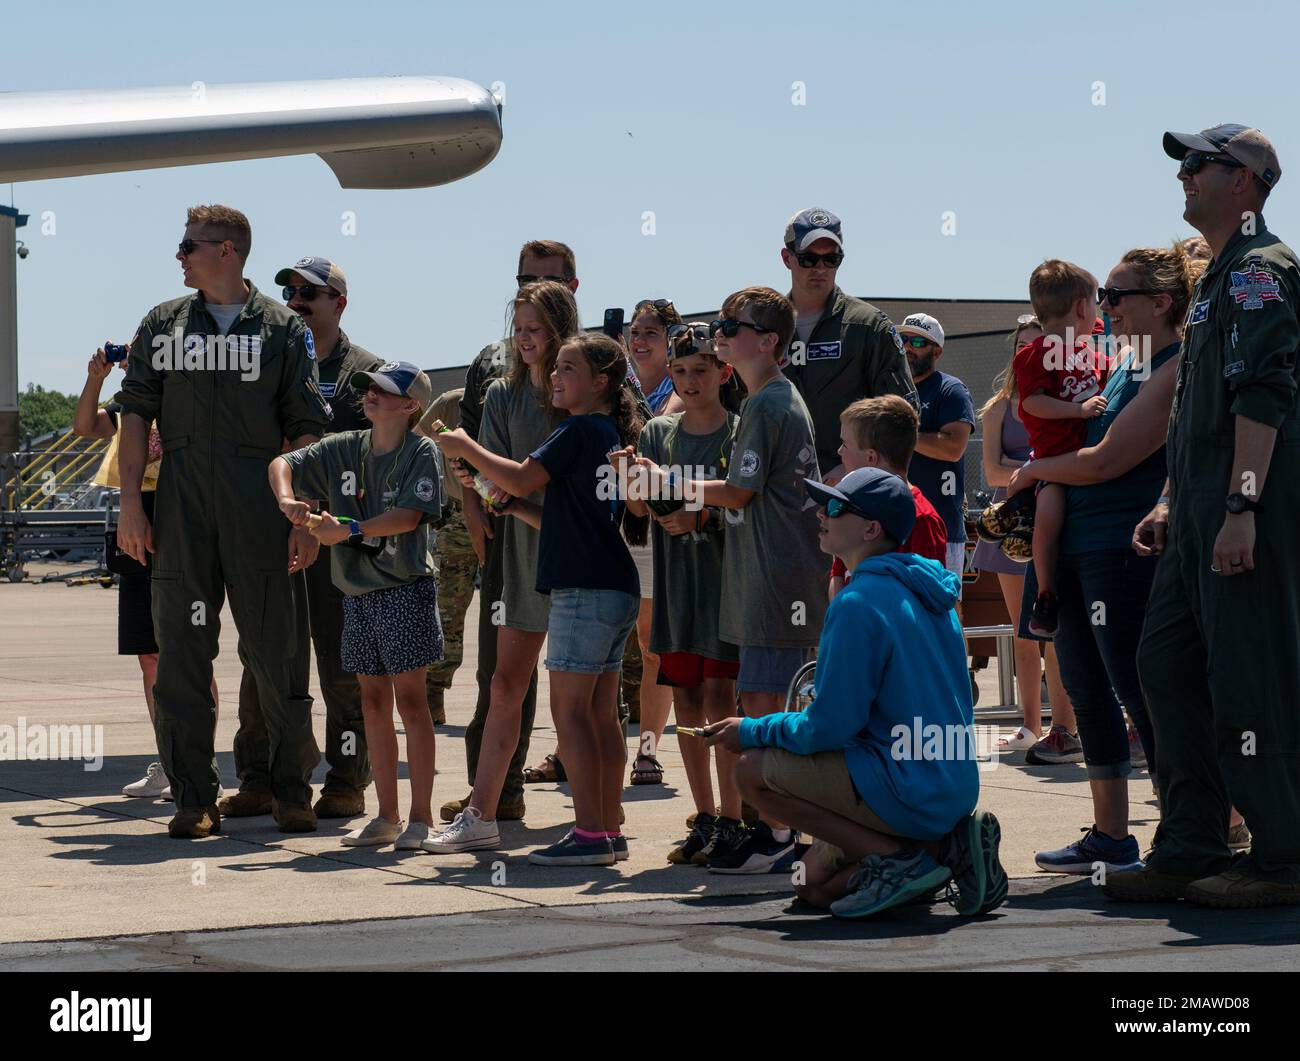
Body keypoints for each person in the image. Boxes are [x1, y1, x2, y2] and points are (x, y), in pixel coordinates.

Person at [1109, 125, 1300, 907]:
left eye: (1198, 164)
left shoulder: (1262, 271)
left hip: (1239, 512)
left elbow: (1265, 391)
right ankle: (1191, 842)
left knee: (1249, 678)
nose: (1183, 176)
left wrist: (1241, 505)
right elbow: (1201, 411)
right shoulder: (1222, 276)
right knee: (1165, 665)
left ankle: (1282, 855)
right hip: (1194, 516)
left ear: (1246, 181)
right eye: (1183, 165)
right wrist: (1169, 501)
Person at [114, 204, 330, 839]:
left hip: (260, 503)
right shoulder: (162, 325)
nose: (179, 255)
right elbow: (133, 415)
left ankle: (291, 789)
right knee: (181, 652)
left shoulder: (283, 329)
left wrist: (302, 515)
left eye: (190, 245)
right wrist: (131, 500)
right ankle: (193, 797)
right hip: (180, 506)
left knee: (276, 651)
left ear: (229, 250)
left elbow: (306, 427)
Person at [703, 467, 1005, 918]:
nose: (822, 512)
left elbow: (828, 727)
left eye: (837, 506)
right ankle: (943, 853)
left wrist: (752, 728)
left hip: (904, 785)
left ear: (871, 528)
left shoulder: (857, 601)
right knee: (813, 887)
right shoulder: (931, 595)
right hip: (947, 786)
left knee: (750, 770)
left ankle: (903, 861)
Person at [1005, 246, 1195, 874]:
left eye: (1117, 296)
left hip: (1122, 546)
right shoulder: (1124, 361)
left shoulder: (1173, 365)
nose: (1103, 308)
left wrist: (1032, 469)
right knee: (1087, 690)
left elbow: (1107, 459)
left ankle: (1189, 829)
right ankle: (1113, 835)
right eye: (1103, 297)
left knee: (1141, 691)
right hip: (1076, 544)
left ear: (1162, 302)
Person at [631, 287, 826, 873]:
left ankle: (776, 833)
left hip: (773, 581)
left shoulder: (766, 406)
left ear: (766, 341)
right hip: (755, 581)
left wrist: (668, 481)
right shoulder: (766, 400)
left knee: (766, 707)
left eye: (729, 327)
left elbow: (739, 493)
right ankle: (769, 830)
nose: (719, 332)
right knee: (761, 704)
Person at [436, 333, 646, 866]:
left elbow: (522, 475)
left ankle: (591, 835)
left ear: (600, 382)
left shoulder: (575, 430)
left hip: (584, 591)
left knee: (569, 712)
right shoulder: (604, 433)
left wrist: (466, 449)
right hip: (614, 586)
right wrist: (512, 509)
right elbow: (560, 513)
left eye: (568, 368)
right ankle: (609, 828)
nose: (555, 375)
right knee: (601, 713)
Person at [222, 256, 384, 823]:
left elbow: (378, 461)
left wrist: (325, 523)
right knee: (263, 658)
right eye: (288, 292)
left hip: (339, 543)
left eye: (309, 293)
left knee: (343, 664)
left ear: (339, 302)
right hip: (269, 536)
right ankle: (261, 777)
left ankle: (345, 779)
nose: (295, 301)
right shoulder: (262, 359)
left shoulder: (368, 372)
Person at [426, 280, 580, 852]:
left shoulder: (579, 394)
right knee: (504, 684)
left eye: (536, 330)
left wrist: (483, 467)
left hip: (576, 555)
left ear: (561, 329)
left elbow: (570, 483)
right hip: (519, 553)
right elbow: (492, 485)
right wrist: (481, 482)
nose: (525, 341)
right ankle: (481, 812)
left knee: (581, 697)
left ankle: (598, 819)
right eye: (519, 330)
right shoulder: (500, 395)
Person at [272, 362, 444, 848]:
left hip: (404, 589)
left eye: (384, 390)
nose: (370, 395)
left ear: (410, 406)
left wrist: (346, 529)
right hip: (359, 594)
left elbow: (409, 518)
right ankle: (386, 814)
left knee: (411, 702)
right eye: (369, 387)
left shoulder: (420, 450)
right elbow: (284, 463)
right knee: (371, 701)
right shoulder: (345, 444)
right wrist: (288, 500)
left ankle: (421, 818)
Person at [74, 348, 221, 800]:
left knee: (190, 651)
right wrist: (95, 378)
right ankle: (169, 757)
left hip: (182, 521)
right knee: (149, 653)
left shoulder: (188, 399)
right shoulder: (128, 407)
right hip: (137, 522)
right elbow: (84, 426)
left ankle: (201, 758)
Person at [625, 322, 740, 864]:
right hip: (676, 590)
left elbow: (751, 508)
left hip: (723, 589)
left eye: (701, 370)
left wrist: (703, 517)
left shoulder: (739, 435)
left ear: (724, 370)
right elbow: (638, 512)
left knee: (722, 699)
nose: (691, 382)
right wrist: (632, 484)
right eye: (681, 371)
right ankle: (705, 815)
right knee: (688, 703)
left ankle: (736, 820)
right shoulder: (657, 437)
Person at [973, 318, 1081, 759]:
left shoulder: (1066, 401)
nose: (1027, 350)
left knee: (1056, 632)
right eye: (1021, 344)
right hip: (1010, 527)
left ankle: (1066, 725)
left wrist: (1032, 472)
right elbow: (992, 471)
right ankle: (1030, 726)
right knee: (1023, 634)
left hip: (1056, 524)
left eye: (1036, 344)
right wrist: (1035, 471)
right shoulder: (999, 407)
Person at [998, 261, 1109, 638]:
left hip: (1088, 461)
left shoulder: (1087, 350)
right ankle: (1046, 594)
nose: (1099, 310)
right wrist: (1078, 410)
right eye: (1095, 302)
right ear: (1081, 307)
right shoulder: (1036, 352)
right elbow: (1033, 403)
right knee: (1049, 512)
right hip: (1052, 464)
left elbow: (1116, 368)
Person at [779, 207, 918, 478]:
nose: (820, 268)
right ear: (787, 258)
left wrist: (853, 467)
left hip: (849, 492)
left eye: (831, 259)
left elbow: (902, 414)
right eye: (809, 259)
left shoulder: (868, 326)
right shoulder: (765, 326)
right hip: (779, 491)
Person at [623, 297, 684, 787]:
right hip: (606, 524)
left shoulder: (677, 390)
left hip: (649, 528)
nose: (639, 340)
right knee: (592, 647)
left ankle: (647, 751)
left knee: (651, 648)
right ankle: (567, 749)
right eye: (634, 331)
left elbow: (655, 430)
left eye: (651, 333)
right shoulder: (613, 381)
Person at [829, 394, 948, 599]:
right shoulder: (851, 504)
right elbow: (839, 574)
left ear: (871, 458)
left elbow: (930, 600)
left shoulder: (921, 519)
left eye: (845, 445)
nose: (839, 451)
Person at [896, 313, 975, 597]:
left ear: (937, 351)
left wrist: (901, 435)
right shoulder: (891, 389)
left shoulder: (950, 389)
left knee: (943, 617)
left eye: (917, 341)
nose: (907, 346)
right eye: (903, 339)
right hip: (893, 526)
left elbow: (953, 448)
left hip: (939, 527)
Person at [419, 388, 476, 728]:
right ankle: (433, 690)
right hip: (457, 518)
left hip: (509, 512)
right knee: (447, 608)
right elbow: (420, 436)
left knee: (511, 614)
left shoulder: (523, 395)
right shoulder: (451, 401)